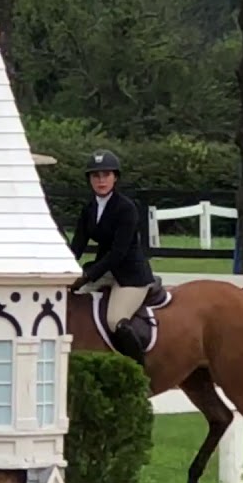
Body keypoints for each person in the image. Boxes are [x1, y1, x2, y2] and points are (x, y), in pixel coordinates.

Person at [68, 149, 156, 368]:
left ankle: (139, 371)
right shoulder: (88, 209)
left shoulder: (126, 208)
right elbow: (77, 245)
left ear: (115, 177)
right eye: (95, 176)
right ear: (89, 180)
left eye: (106, 175)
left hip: (130, 276)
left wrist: (88, 275)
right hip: (104, 271)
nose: (101, 180)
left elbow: (118, 253)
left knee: (115, 320)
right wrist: (65, 270)